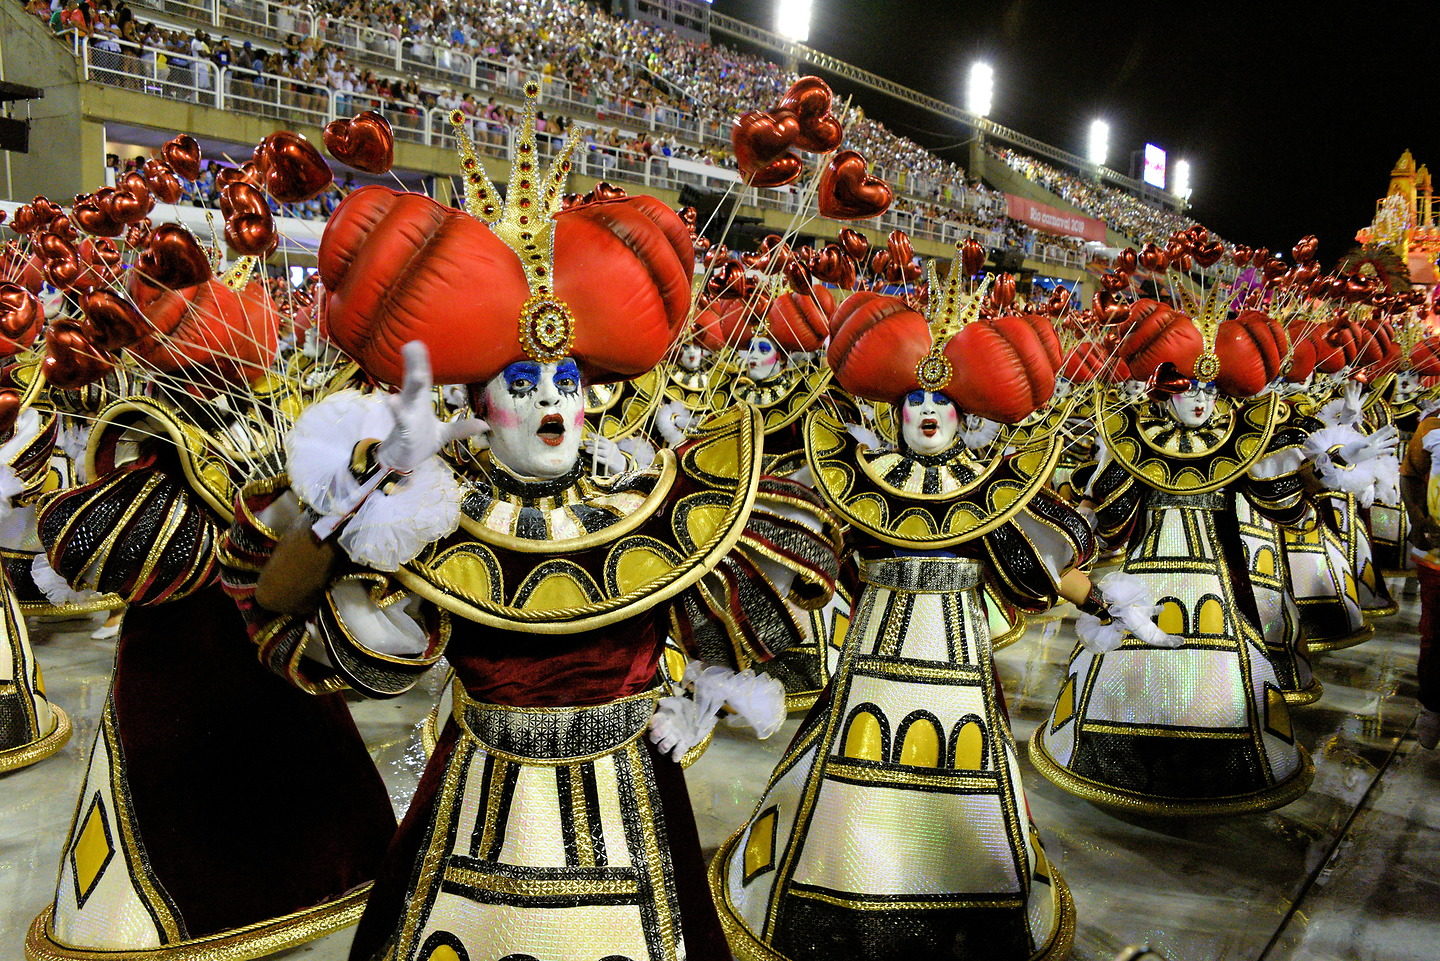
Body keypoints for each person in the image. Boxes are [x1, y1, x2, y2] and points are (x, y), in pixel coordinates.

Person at [1398, 346, 1440, 749]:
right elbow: (1410, 476)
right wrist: (1416, 518)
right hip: (1436, 558)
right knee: (1434, 638)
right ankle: (1432, 707)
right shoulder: (1432, 425)